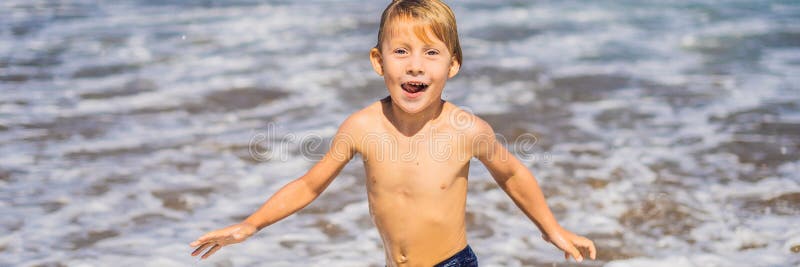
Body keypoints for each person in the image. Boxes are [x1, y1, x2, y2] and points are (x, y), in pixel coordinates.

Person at [189, 0, 596, 266]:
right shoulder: (362, 127)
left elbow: (512, 174)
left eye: (431, 53)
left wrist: (551, 229)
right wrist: (251, 224)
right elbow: (310, 185)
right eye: (401, 52)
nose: (415, 66)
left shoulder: (465, 129)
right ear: (378, 61)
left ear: (452, 66)